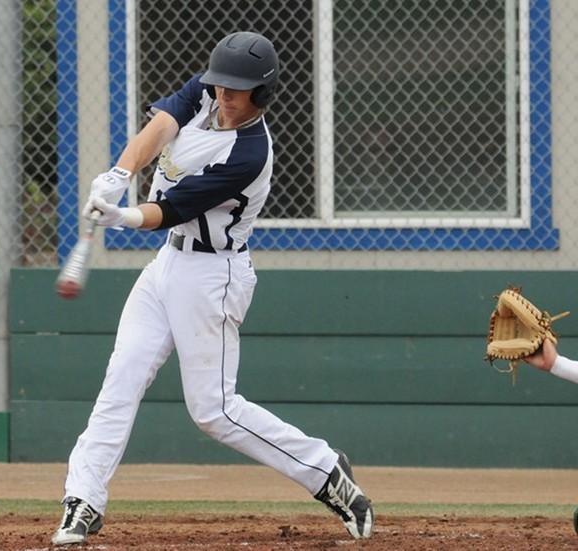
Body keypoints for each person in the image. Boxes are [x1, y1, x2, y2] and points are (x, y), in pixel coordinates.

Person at [50, 31, 374, 546]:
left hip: (213, 277)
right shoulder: (209, 91)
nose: (224, 94)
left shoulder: (250, 154)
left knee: (215, 412)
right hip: (166, 266)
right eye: (221, 84)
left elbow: (171, 210)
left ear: (262, 95)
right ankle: (83, 499)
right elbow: (161, 126)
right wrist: (119, 171)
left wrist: (123, 214)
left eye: (237, 89)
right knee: (122, 377)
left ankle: (326, 471)